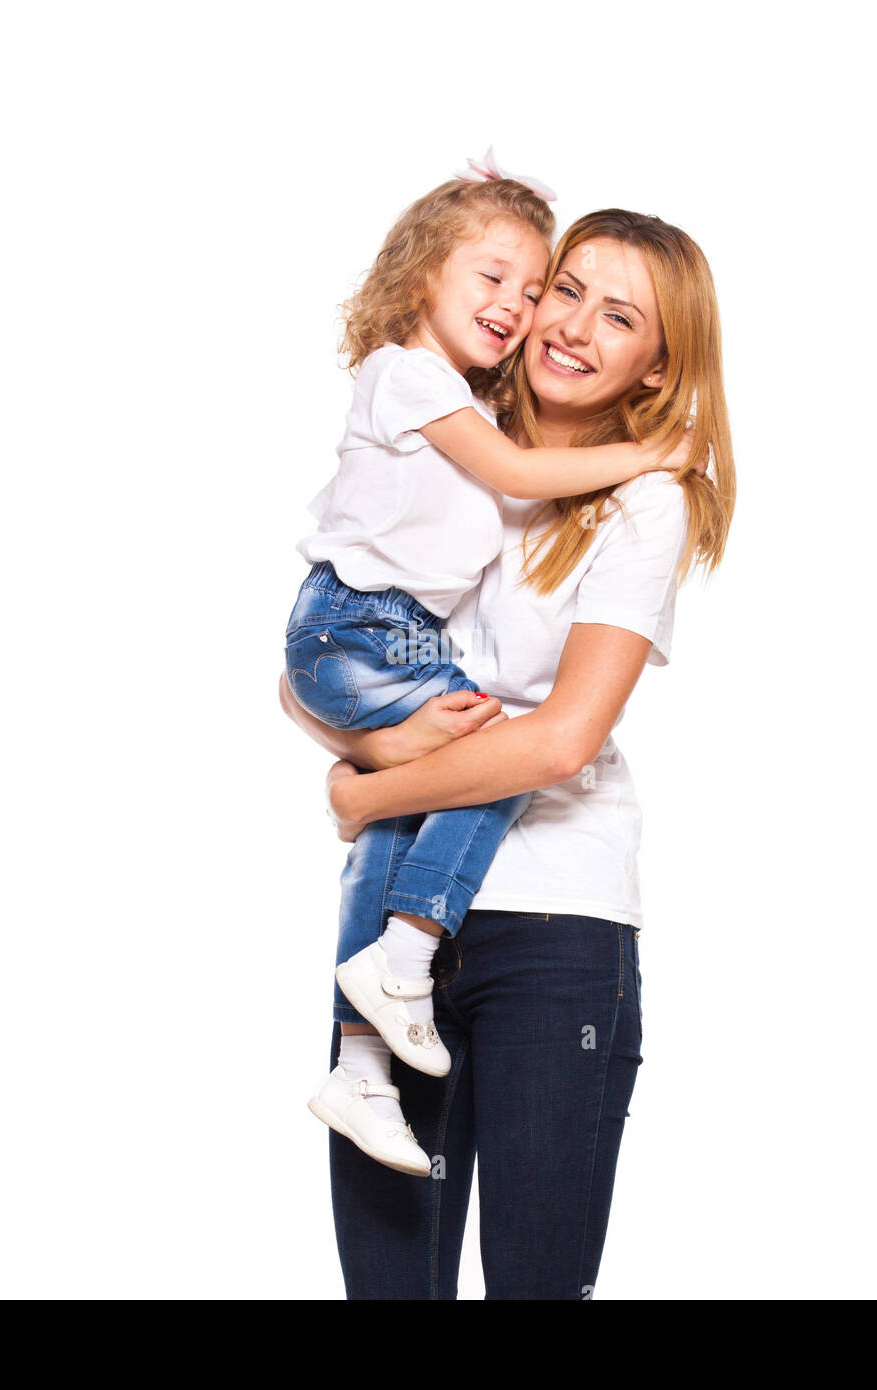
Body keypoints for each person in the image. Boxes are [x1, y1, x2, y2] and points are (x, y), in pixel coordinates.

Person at [281, 206, 735, 1299]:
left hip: (550, 927)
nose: (566, 324)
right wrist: (372, 760)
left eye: (616, 315)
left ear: (656, 364)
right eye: (561, 288)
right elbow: (314, 652)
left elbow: (563, 736)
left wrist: (364, 789)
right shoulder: (449, 429)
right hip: (393, 928)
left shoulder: (642, 497)